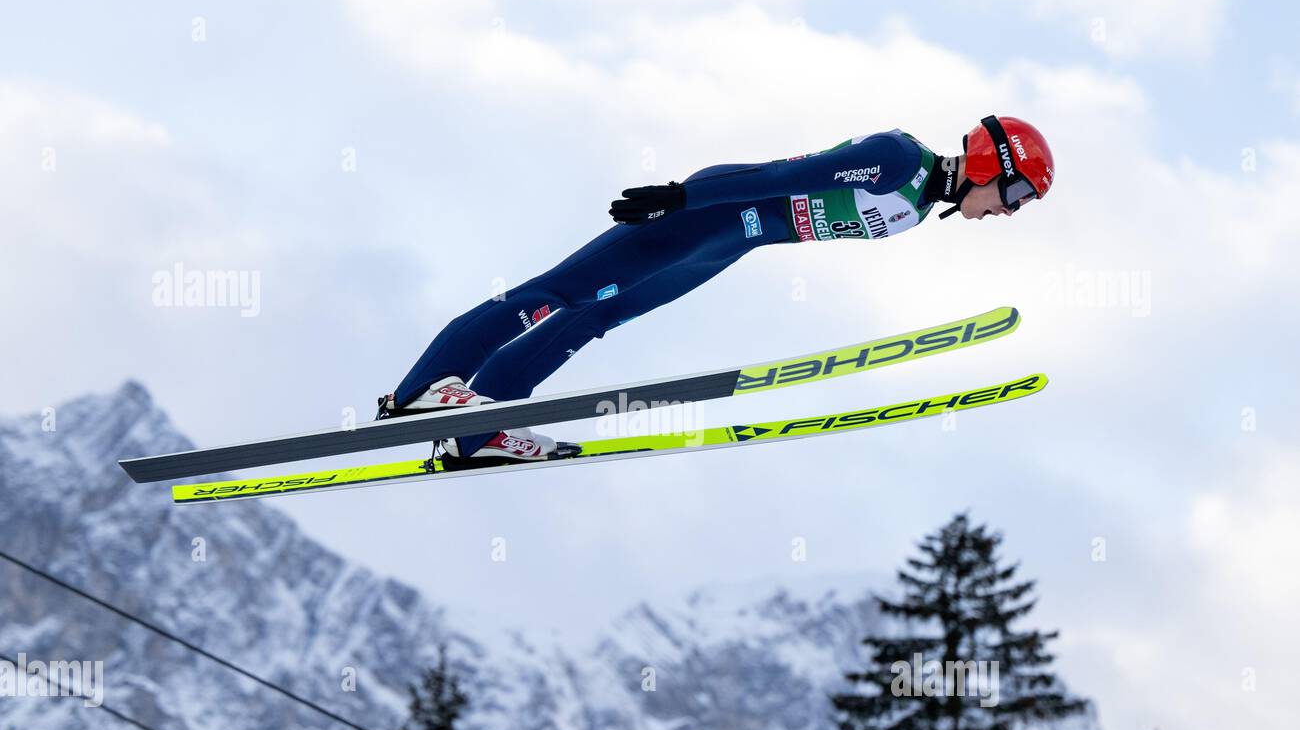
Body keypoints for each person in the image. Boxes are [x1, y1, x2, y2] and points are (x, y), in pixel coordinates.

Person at [378, 115, 1054, 464]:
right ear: (993, 161)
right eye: (1015, 193)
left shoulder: (913, 205)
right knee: (567, 289)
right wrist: (680, 197)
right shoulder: (901, 159)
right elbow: (782, 174)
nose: (1008, 210)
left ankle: (478, 425)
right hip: (714, 212)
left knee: (594, 318)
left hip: (733, 242)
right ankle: (424, 391)